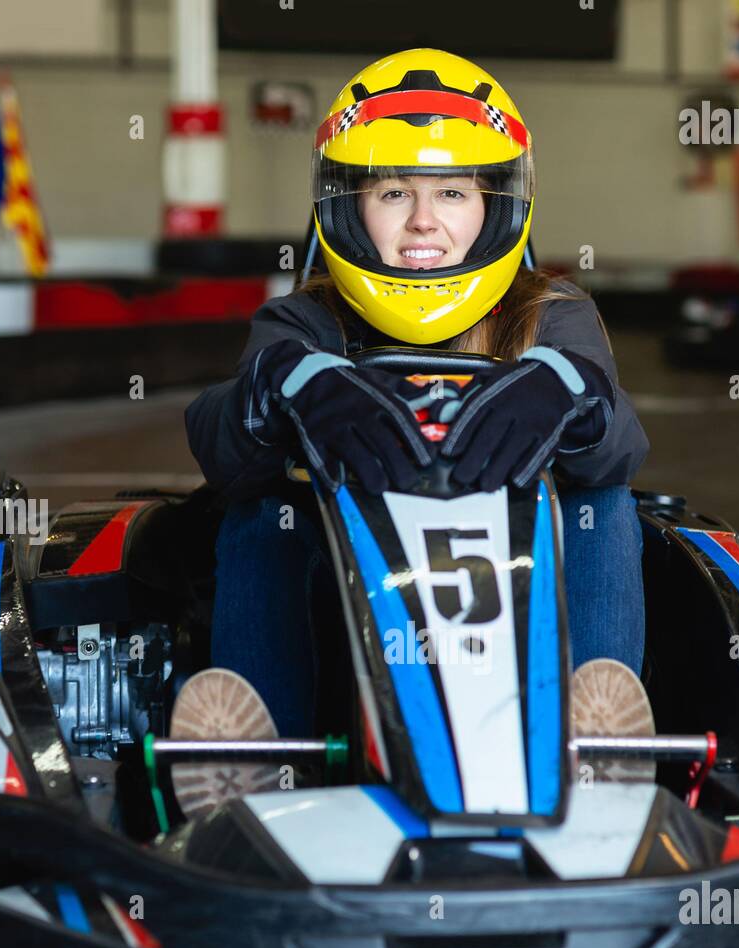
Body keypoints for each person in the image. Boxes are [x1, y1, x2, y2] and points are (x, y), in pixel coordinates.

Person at [172, 48, 653, 816]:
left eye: (453, 192)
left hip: (516, 605)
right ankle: (262, 762)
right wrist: (285, 387)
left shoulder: (549, 317)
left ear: (496, 205)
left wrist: (566, 390)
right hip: (354, 620)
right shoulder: (307, 322)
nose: (424, 219)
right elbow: (219, 448)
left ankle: (594, 750)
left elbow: (622, 444)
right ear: (348, 207)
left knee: (605, 501)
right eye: (394, 191)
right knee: (264, 510)